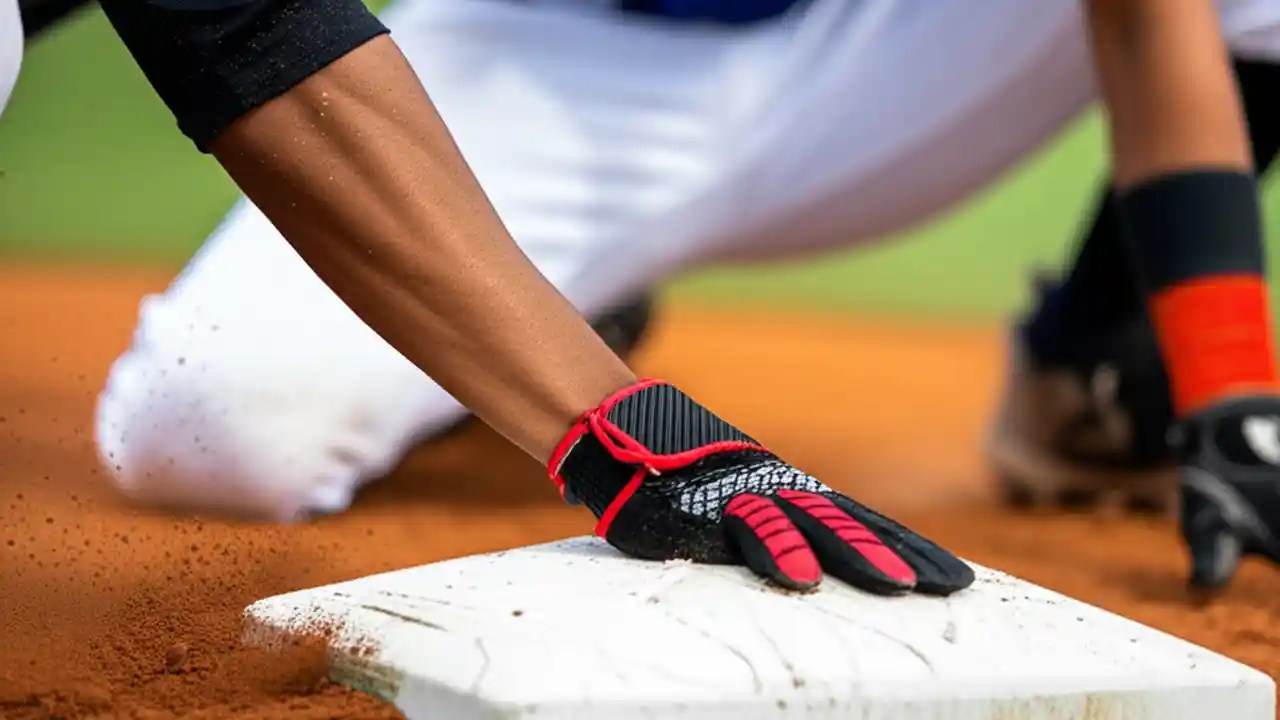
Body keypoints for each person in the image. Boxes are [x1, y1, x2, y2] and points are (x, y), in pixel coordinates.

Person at [10, 0, 1274, 590]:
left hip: (908, 45)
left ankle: (1105, 371)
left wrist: (1232, 391)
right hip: (568, 59)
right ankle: (563, 308)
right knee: (209, 437)